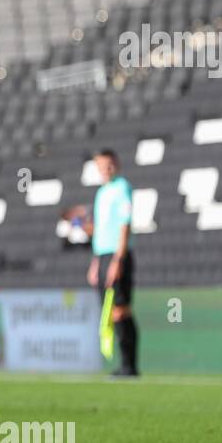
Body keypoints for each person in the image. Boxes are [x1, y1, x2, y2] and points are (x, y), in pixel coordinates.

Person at [87, 149, 140, 377]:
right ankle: (122, 364)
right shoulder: (101, 193)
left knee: (120, 310)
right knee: (109, 313)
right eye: (100, 167)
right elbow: (100, 232)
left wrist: (118, 259)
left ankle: (130, 365)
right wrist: (96, 261)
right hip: (103, 256)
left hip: (118, 255)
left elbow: (124, 225)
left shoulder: (122, 188)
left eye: (108, 165)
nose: (104, 170)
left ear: (116, 164)